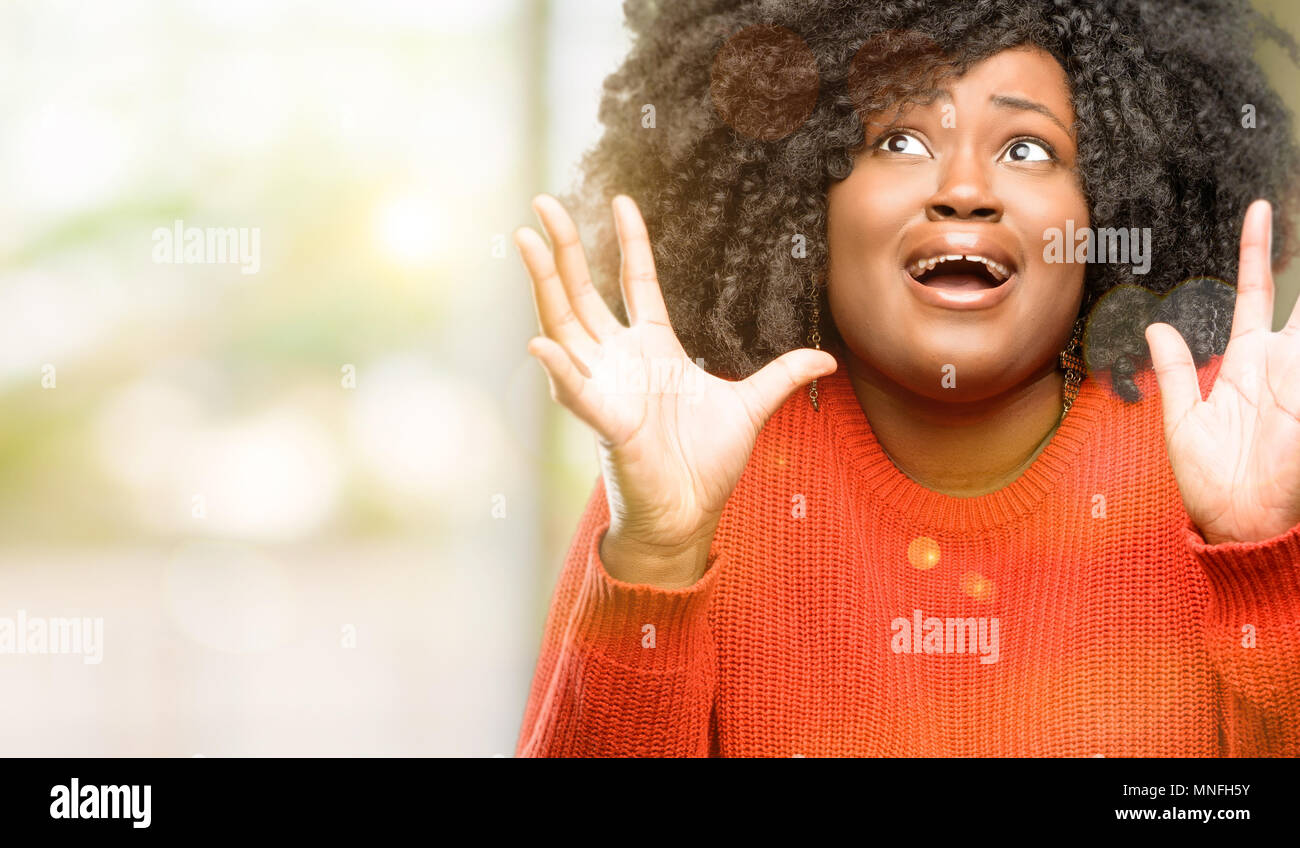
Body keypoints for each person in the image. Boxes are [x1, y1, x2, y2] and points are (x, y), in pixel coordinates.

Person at [512, 0, 1300, 756]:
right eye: (899, 141)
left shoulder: (1223, 450)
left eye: (1027, 149)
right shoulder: (701, 464)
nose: (965, 191)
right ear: (804, 196)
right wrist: (658, 554)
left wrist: (1261, 561)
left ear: (1107, 209)